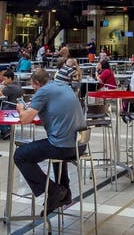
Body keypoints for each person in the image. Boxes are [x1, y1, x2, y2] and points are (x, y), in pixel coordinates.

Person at [14, 68, 85, 215]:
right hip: (80, 144)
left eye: (33, 86)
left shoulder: (43, 91)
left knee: (20, 155)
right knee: (56, 149)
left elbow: (25, 119)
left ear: (36, 83)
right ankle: (66, 194)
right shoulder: (64, 87)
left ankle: (55, 190)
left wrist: (21, 109)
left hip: (63, 147)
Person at [0, 68, 24, 138]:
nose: (4, 81)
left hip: (12, 107)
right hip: (18, 106)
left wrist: (2, 85)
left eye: (5, 79)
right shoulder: (17, 84)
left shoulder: (10, 87)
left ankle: (5, 131)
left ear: (10, 78)